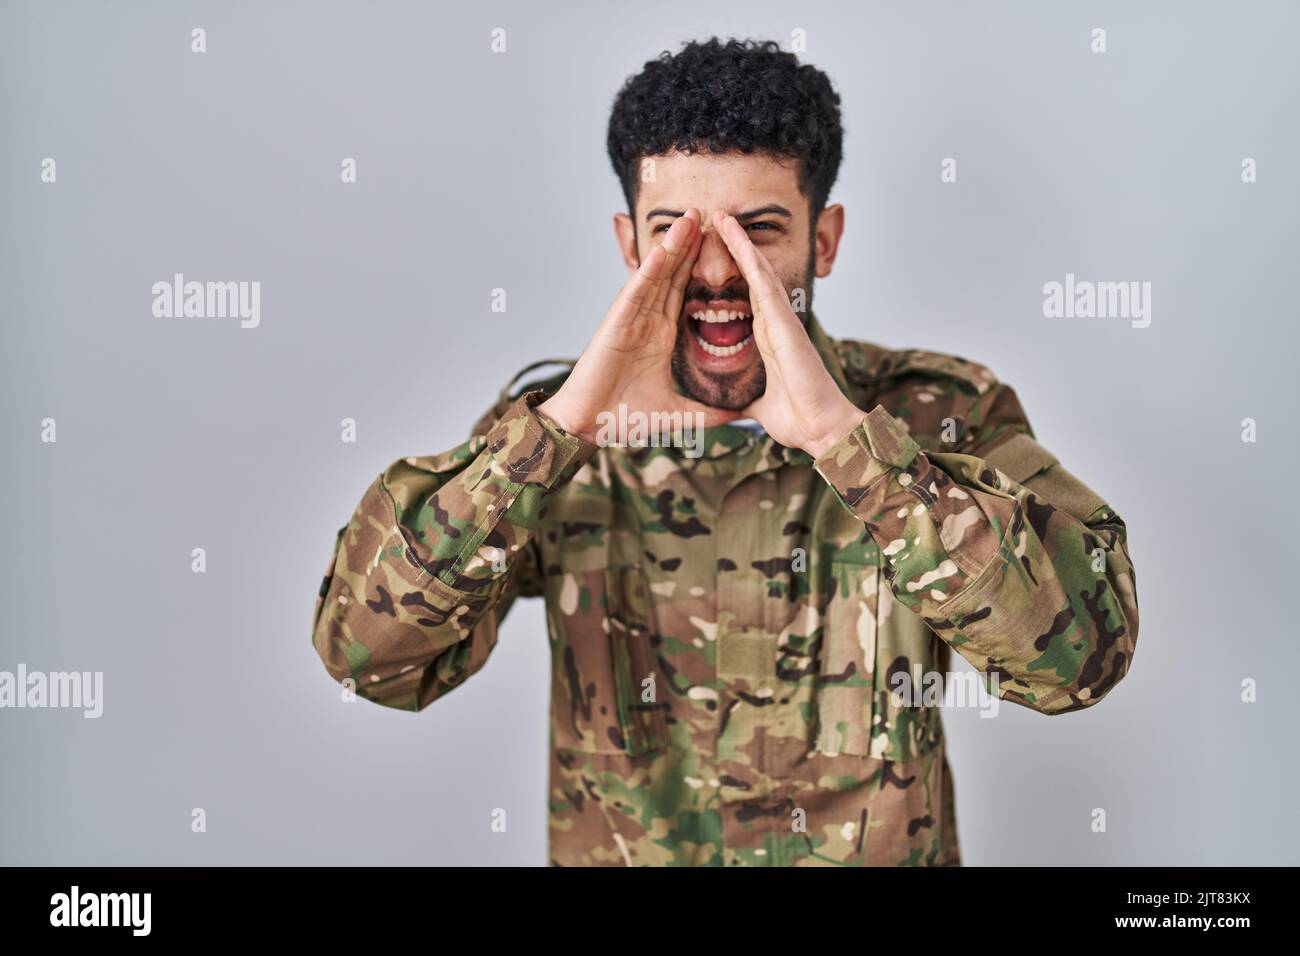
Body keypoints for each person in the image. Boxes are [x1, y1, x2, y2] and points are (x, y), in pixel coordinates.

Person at [312, 37, 1139, 866]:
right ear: (630, 244)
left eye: (759, 231)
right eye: (674, 231)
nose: (715, 271)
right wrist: (554, 436)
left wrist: (846, 444)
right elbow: (366, 661)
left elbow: (1078, 664)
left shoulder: (941, 411)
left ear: (824, 240)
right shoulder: (561, 437)